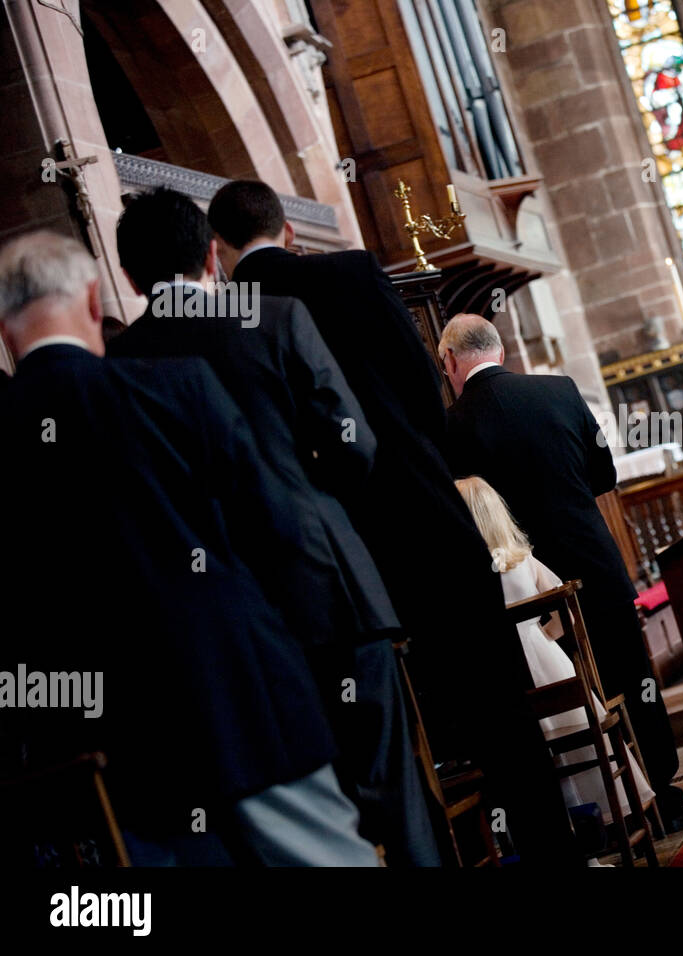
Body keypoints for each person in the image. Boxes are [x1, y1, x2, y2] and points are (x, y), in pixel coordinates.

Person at [205, 180, 580, 865]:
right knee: (498, 707)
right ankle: (552, 855)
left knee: (407, 743)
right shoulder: (349, 272)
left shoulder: (227, 321)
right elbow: (419, 380)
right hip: (425, 519)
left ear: (218, 251)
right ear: (287, 229)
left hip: (333, 565)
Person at [0, 230, 376, 866]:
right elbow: (279, 530)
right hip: (239, 693)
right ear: (95, 301)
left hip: (102, 744)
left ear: (6, 330)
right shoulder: (175, 387)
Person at [109, 188, 439, 867]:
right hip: (325, 585)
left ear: (132, 278)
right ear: (210, 254)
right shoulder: (273, 318)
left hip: (227, 624)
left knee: (287, 816)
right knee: (390, 791)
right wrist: (311, 491)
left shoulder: (118, 367)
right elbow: (356, 443)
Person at [439, 314, 683, 831]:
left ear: (448, 363)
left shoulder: (451, 425)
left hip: (522, 587)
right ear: (501, 349)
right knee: (630, 679)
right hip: (593, 565)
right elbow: (604, 474)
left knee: (570, 700)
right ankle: (663, 796)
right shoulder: (559, 390)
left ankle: (600, 815)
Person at [454, 476, 655, 836]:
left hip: (507, 683)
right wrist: (541, 637)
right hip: (556, 680)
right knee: (580, 748)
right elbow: (568, 614)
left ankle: (562, 838)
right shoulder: (523, 561)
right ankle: (604, 828)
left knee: (538, 759)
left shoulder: (463, 577)